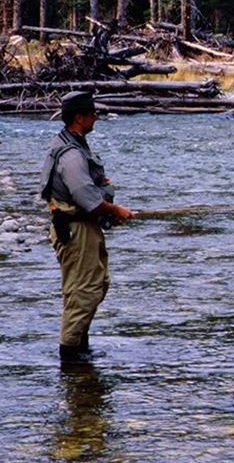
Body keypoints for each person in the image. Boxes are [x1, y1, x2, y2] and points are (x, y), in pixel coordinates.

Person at [38, 91, 136, 364]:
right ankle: (71, 358)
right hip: (75, 231)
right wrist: (115, 209)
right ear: (79, 118)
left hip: (82, 228)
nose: (96, 118)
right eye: (92, 114)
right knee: (82, 293)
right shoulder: (71, 155)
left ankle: (80, 350)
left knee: (96, 286)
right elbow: (85, 196)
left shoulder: (72, 144)